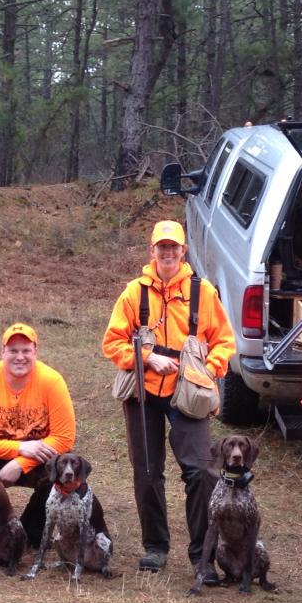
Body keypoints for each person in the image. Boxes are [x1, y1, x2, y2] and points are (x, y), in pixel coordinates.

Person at [102, 220, 236, 573]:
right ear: (152, 251)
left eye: (173, 246)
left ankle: (201, 554)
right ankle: (156, 547)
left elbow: (224, 342)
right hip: (143, 392)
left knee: (203, 471)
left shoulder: (203, 292)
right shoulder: (134, 293)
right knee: (146, 471)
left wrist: (206, 372)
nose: (167, 252)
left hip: (188, 392)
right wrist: (147, 358)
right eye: (161, 246)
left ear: (183, 251)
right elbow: (112, 343)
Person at [0, 323, 76, 547]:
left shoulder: (52, 382)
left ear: (35, 352)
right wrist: (19, 448)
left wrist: (21, 462)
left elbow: (64, 438)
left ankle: (31, 531)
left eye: (26, 350)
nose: (19, 357)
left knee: (62, 470)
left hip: (36, 458)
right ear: (2, 352)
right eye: (13, 351)